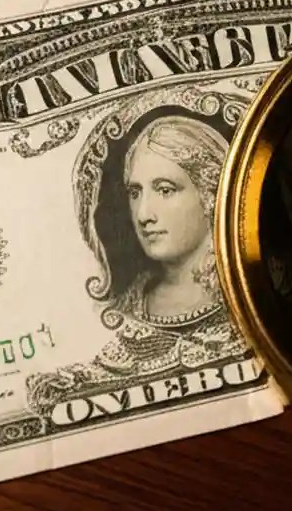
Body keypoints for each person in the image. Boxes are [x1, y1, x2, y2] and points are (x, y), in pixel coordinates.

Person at [26, 115, 246, 412]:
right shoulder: (129, 302)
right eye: (135, 192)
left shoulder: (247, 285)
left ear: (210, 193)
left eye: (165, 190)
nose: (144, 214)